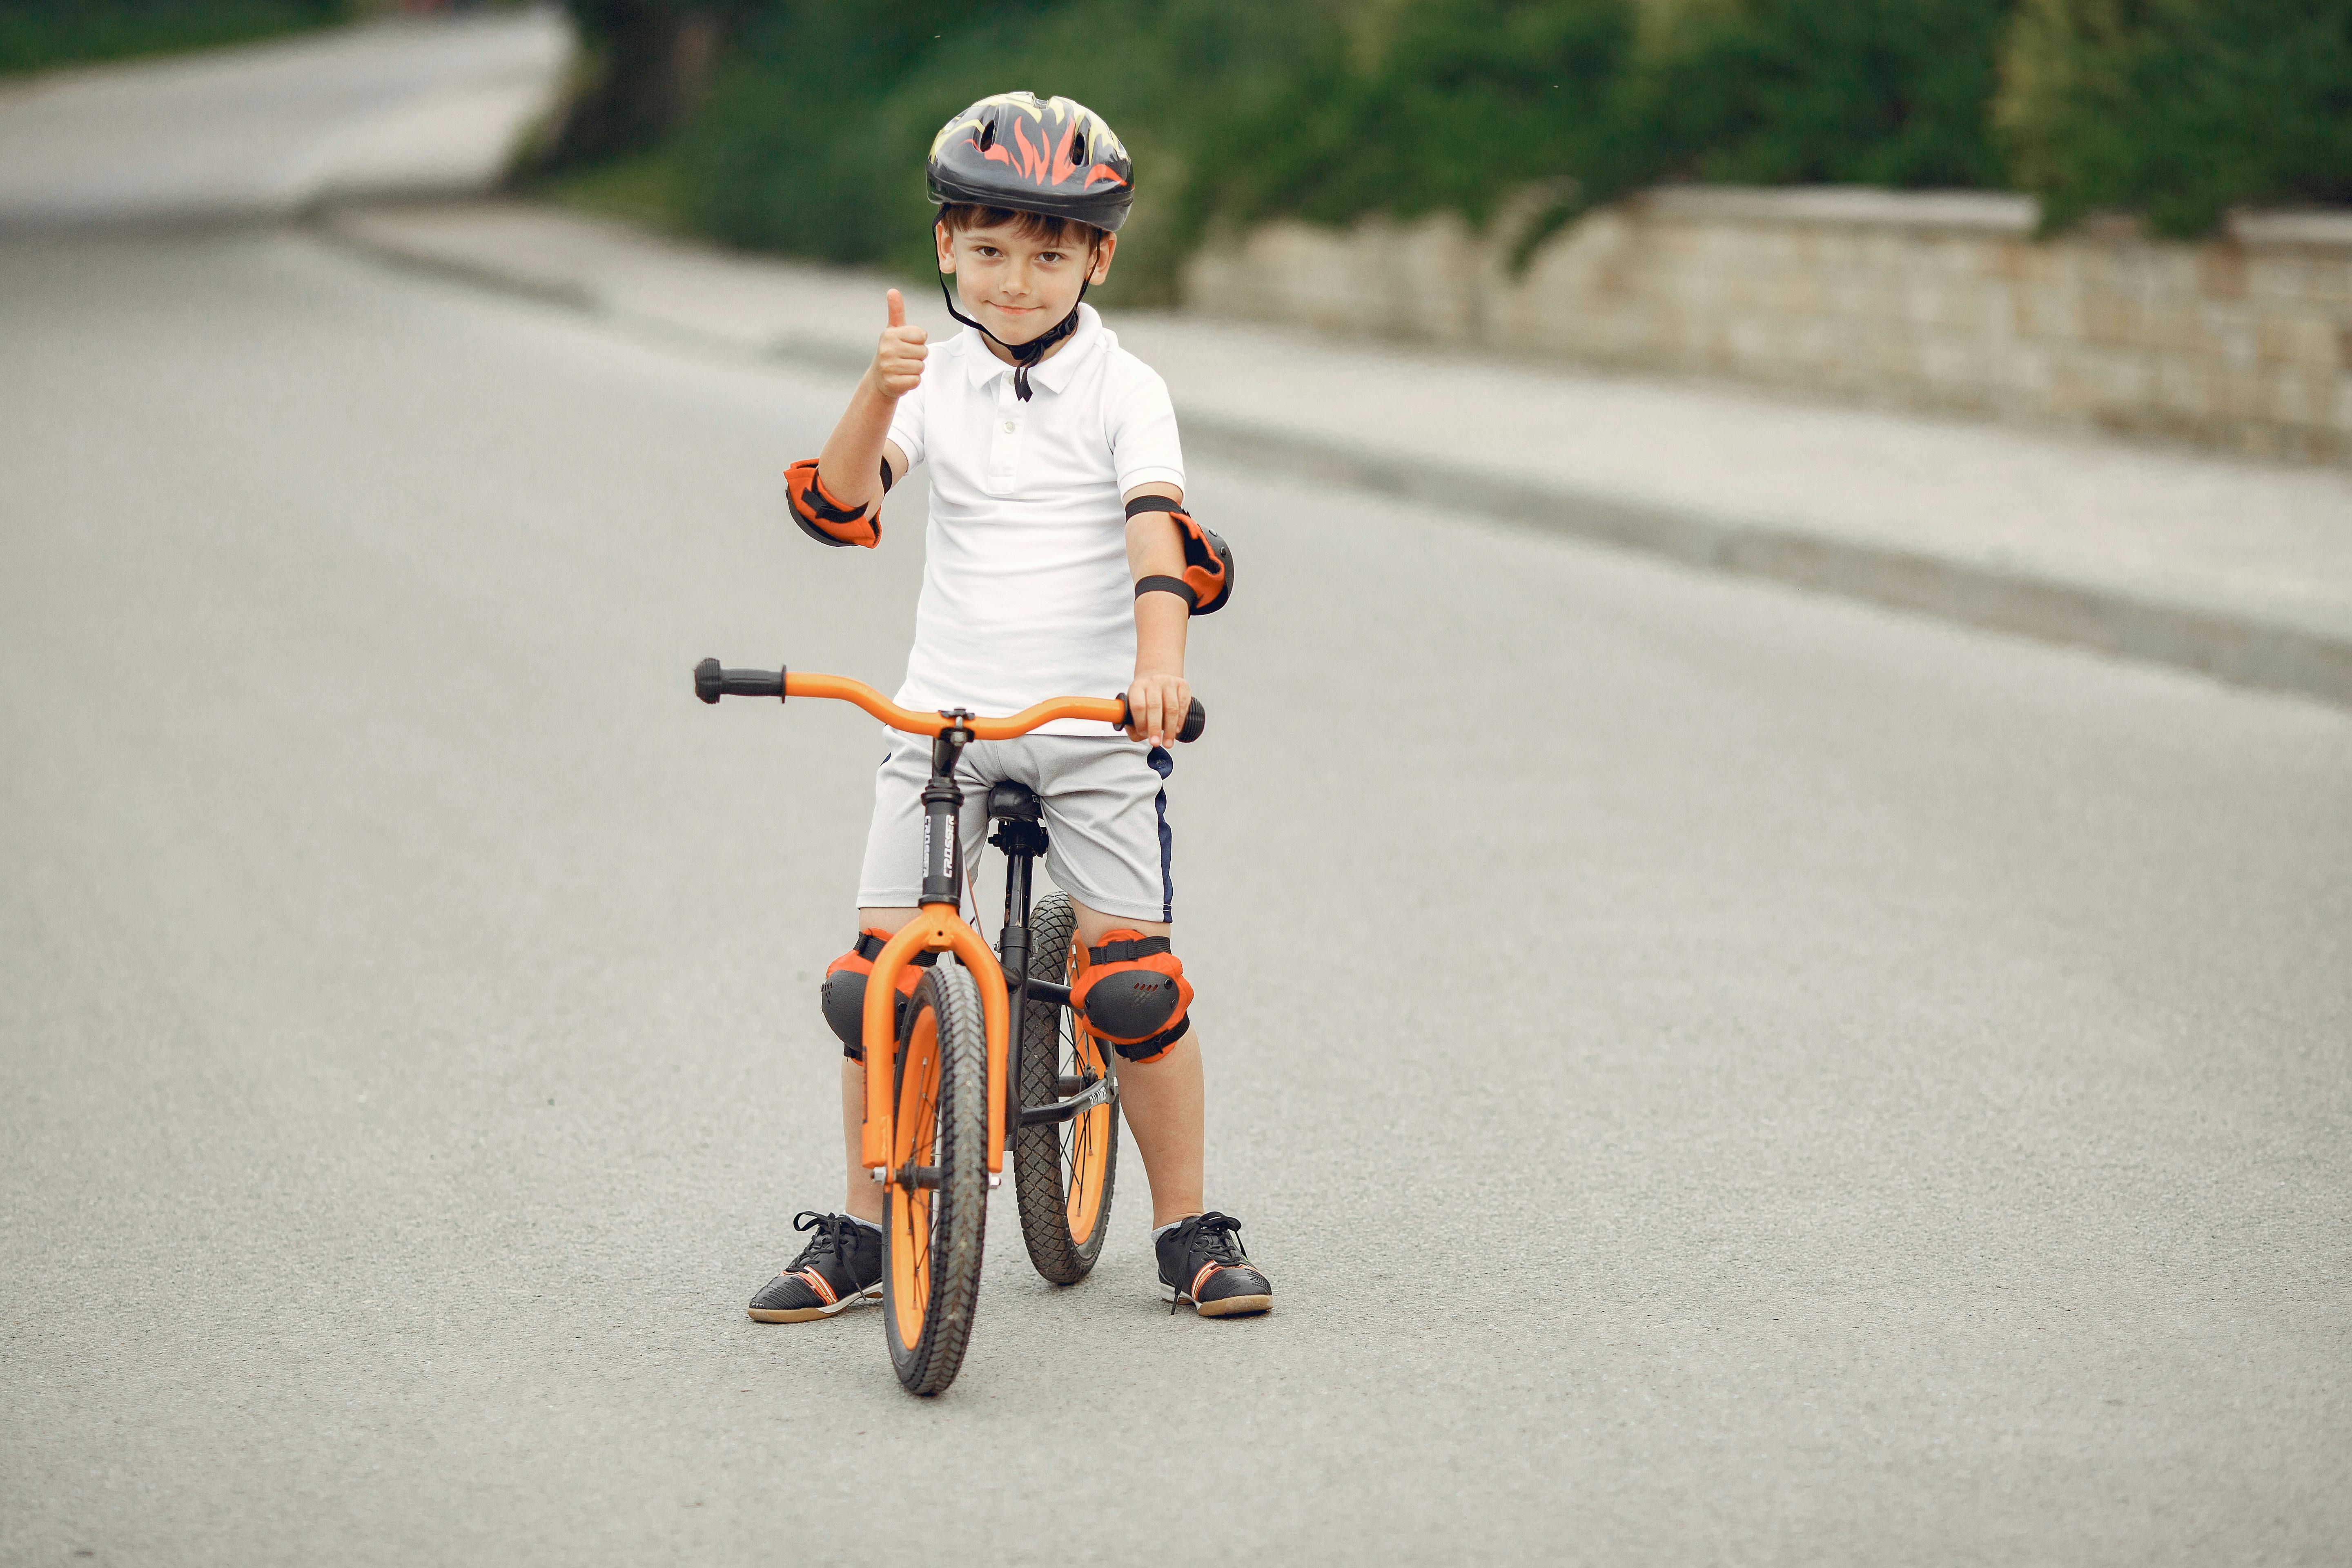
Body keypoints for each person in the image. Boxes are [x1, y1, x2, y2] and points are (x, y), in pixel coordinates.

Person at [747, 92, 1271, 1324]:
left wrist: (1159, 668)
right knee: (871, 979)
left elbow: (1158, 534)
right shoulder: (930, 379)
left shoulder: (1127, 389)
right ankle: (864, 1229)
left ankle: (1189, 1223)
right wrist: (876, 395)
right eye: (990, 251)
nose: (1018, 279)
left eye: (1050, 253)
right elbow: (835, 507)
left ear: (1100, 256)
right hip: (943, 722)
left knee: (1133, 987)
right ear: (946, 250)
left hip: (1095, 721)